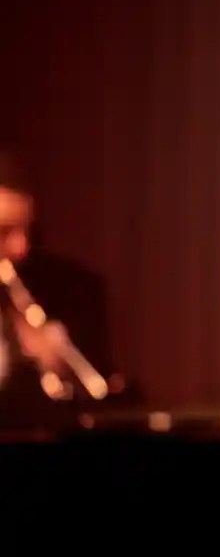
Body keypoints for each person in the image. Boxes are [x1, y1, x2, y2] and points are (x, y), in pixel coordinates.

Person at [0, 149, 115, 416]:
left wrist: (49, 361)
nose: (21, 248)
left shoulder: (47, 290)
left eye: (27, 229)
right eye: (4, 231)